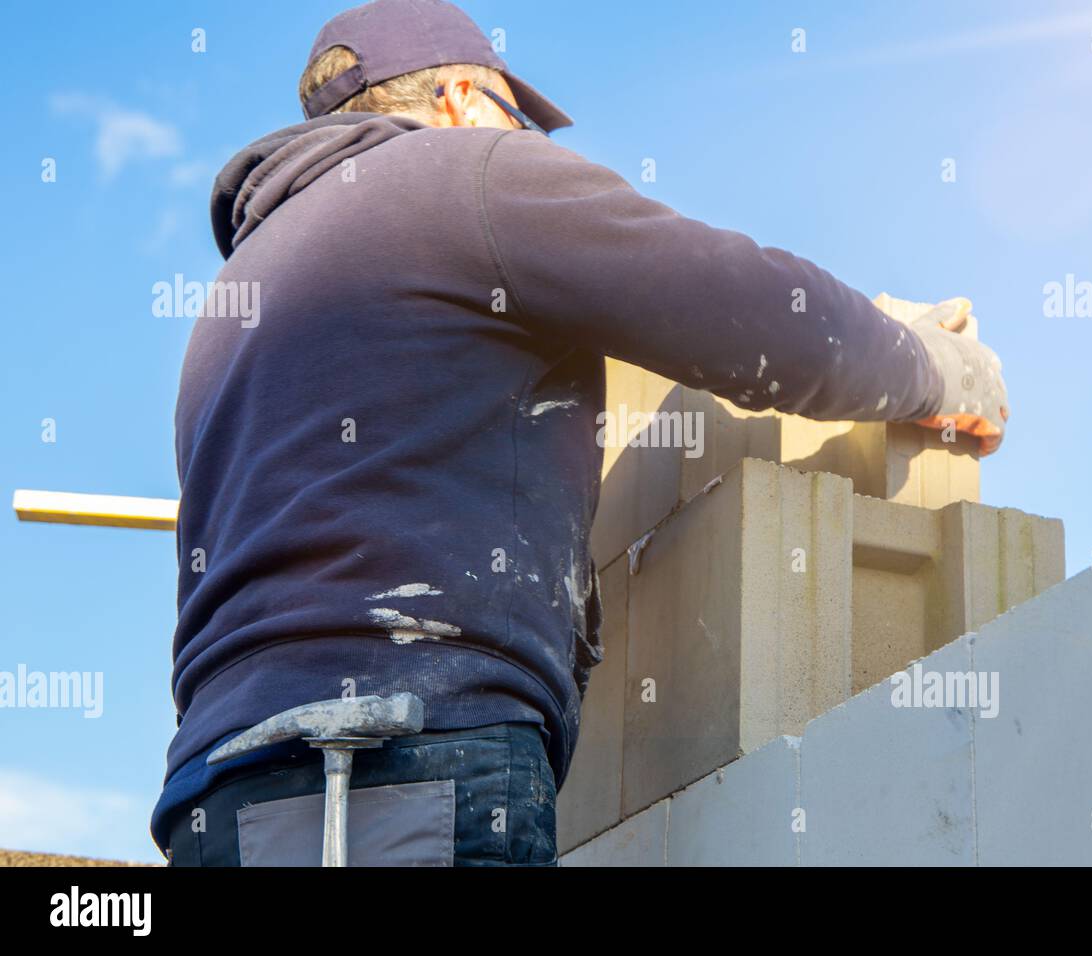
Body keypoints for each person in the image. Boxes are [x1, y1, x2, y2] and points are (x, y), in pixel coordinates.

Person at [155, 0, 1009, 866]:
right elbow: (755, 311)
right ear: (457, 97)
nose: (533, 143)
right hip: (410, 746)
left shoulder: (227, 313)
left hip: (215, 785)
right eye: (517, 117)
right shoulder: (468, 177)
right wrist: (939, 369)